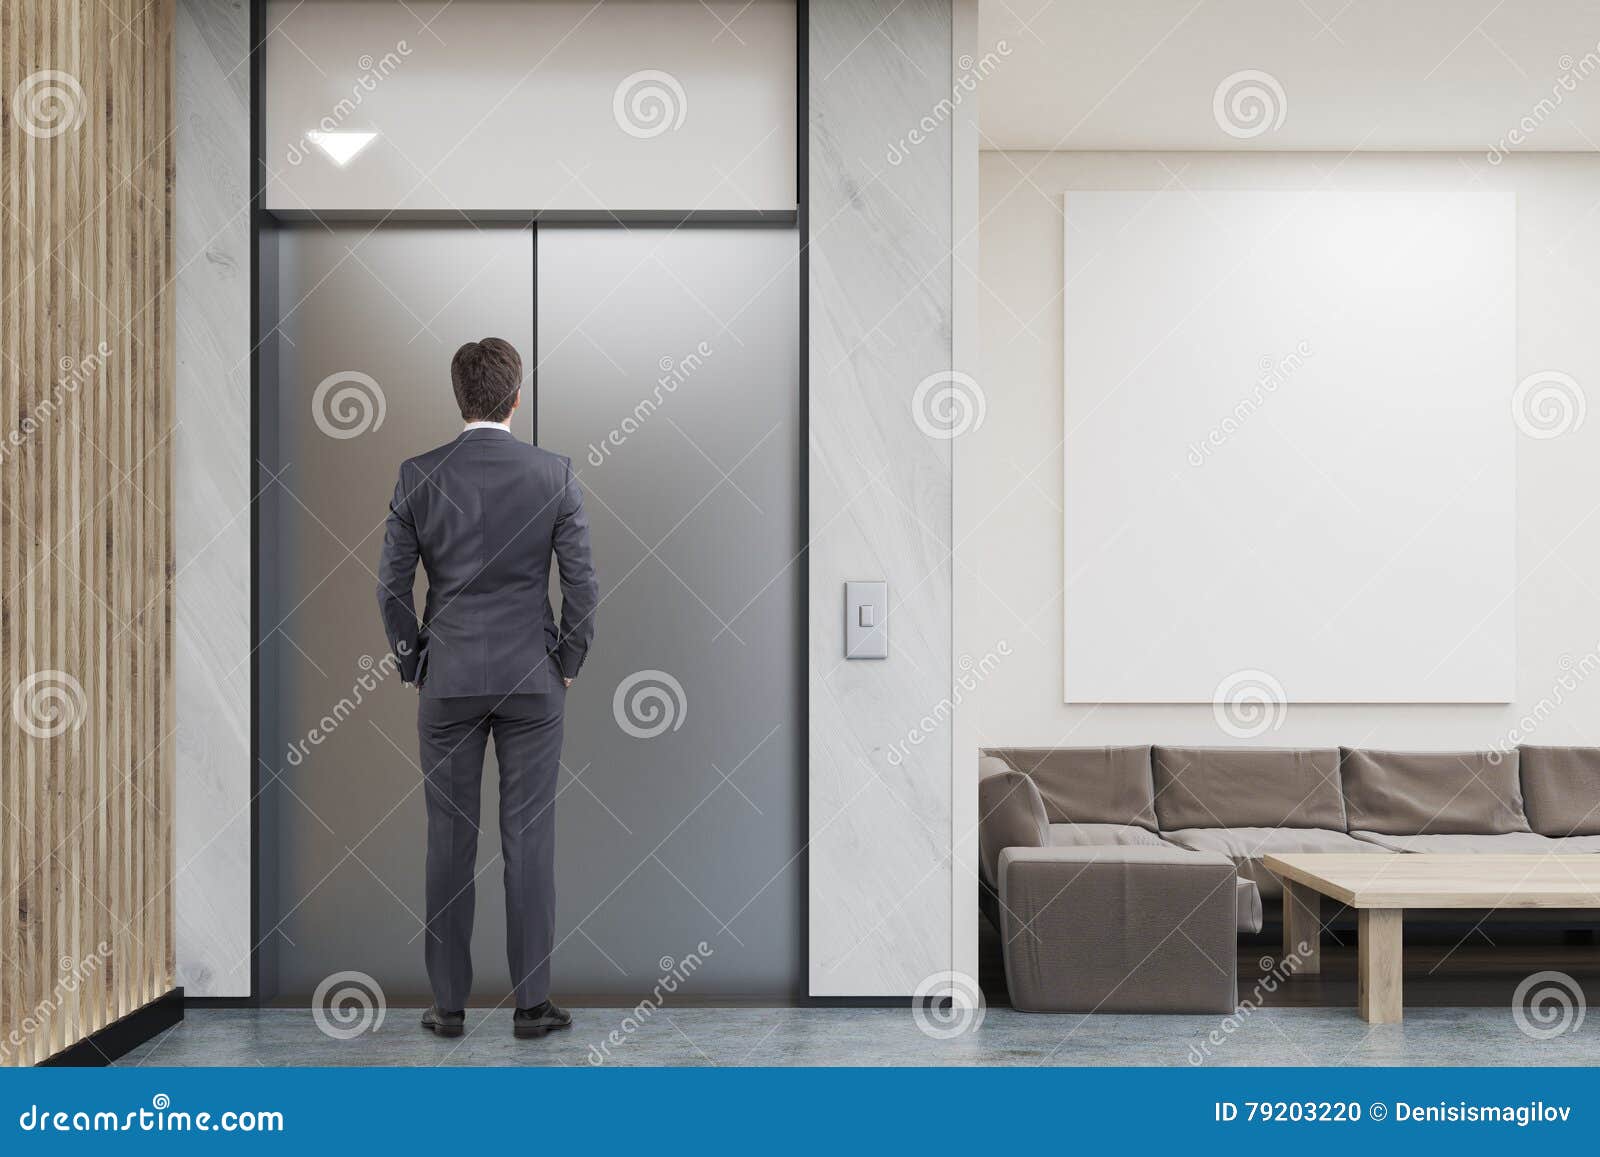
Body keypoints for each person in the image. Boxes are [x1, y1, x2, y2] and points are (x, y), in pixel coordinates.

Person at [376, 337, 597, 1040]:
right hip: (534, 681)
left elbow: (390, 587)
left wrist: (415, 664)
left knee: (449, 840)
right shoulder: (553, 474)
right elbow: (583, 584)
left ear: (458, 396)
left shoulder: (417, 476)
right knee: (529, 839)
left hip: (449, 683)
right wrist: (567, 658)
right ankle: (532, 1006)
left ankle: (448, 1007)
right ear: (516, 396)